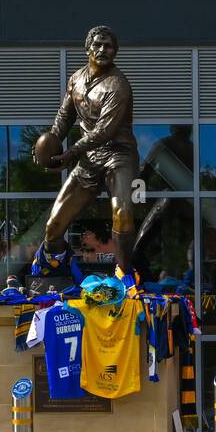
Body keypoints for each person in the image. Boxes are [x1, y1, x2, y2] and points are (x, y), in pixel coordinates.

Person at [31, 25, 140, 283]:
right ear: (87, 48)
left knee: (122, 213)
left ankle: (125, 276)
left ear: (115, 52)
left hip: (118, 155)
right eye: (98, 44)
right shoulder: (76, 79)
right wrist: (51, 141)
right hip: (89, 159)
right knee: (53, 226)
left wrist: (70, 153)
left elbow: (105, 130)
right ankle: (56, 270)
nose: (102, 50)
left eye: (109, 46)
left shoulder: (119, 85)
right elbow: (65, 115)